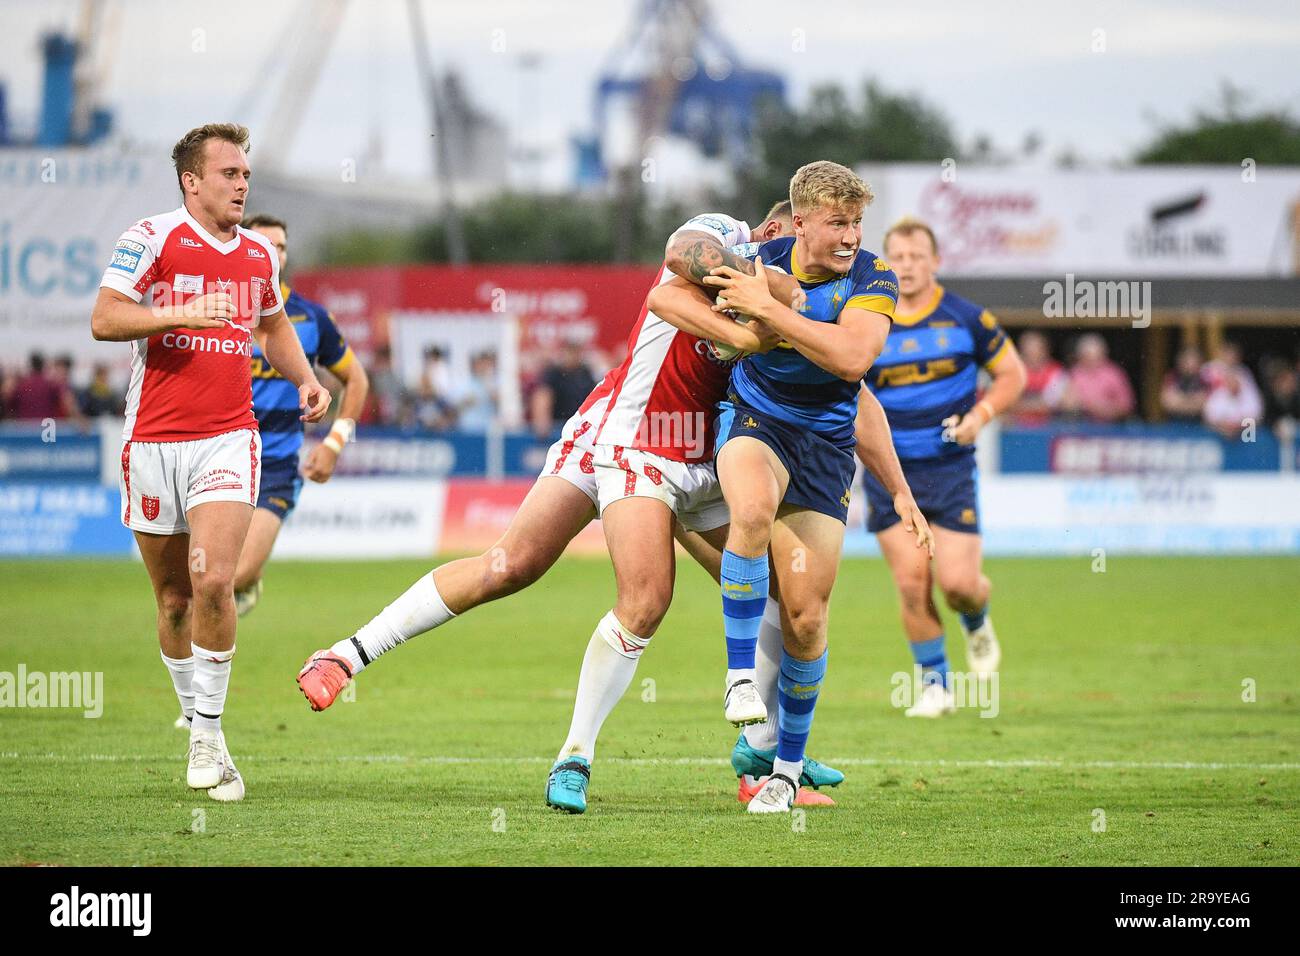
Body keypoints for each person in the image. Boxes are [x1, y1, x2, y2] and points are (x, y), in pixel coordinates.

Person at [294, 203, 930, 816]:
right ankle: (352, 658)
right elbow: (675, 264)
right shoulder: (726, 242)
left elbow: (853, 388)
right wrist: (747, 324)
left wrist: (897, 485)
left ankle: (761, 753)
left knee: (779, 599)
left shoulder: (811, 303)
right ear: (770, 232)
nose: (798, 263)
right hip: (629, 432)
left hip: (699, 456)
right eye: (785, 243)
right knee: (527, 568)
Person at [90, 123, 330, 803]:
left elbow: (274, 323)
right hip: (152, 442)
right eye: (229, 174)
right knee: (171, 603)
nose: (241, 183)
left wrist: (306, 379)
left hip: (228, 438)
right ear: (192, 182)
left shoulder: (258, 254)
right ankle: (207, 732)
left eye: (247, 174)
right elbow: (105, 319)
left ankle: (205, 731)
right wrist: (182, 312)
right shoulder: (153, 236)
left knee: (215, 583)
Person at [698, 161, 897, 812]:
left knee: (807, 619)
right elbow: (664, 292)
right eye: (838, 222)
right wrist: (734, 323)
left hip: (827, 449)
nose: (851, 235)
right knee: (750, 512)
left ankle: (784, 771)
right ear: (800, 221)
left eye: (858, 222)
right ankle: (737, 681)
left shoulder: (874, 275)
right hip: (756, 422)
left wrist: (770, 314)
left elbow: (852, 360)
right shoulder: (755, 259)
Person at [863, 217, 1027, 717]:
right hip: (890, 475)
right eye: (897, 257)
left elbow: (1012, 376)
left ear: (935, 262)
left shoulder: (966, 318)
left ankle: (976, 617)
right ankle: (937, 687)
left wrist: (980, 416)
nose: (907, 266)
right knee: (913, 583)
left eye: (917, 256)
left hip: (951, 471)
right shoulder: (868, 318)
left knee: (956, 584)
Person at [230, 214, 370, 618]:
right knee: (203, 579)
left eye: (282, 247)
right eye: (265, 244)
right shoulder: (219, 308)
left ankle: (248, 581)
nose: (274, 254)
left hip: (276, 465)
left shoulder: (311, 319)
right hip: (220, 459)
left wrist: (334, 443)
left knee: (235, 575)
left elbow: (356, 381)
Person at [529, 337, 598, 438]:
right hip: (557, 427)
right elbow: (542, 396)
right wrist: (542, 421)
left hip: (580, 426)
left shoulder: (585, 373)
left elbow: (595, 397)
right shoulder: (554, 373)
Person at [1059, 334, 1134, 422]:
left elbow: (1127, 405)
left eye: (1096, 356)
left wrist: (1108, 409)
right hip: (1081, 425)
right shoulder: (1072, 374)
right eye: (1088, 356)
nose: (1092, 360)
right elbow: (1063, 403)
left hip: (1112, 427)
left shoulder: (1114, 373)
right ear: (1080, 356)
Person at [1011, 330, 1066, 426]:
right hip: (1017, 428)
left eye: (1036, 349)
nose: (1032, 354)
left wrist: (1022, 405)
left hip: (1048, 429)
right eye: (1028, 350)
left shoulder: (1056, 372)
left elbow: (1050, 405)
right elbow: (1007, 403)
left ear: (1045, 350)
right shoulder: (1013, 371)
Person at [1160, 345, 1209, 424]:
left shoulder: (1205, 379)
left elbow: (1205, 405)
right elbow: (1168, 403)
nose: (1190, 365)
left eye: (1194, 361)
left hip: (1199, 427)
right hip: (1173, 425)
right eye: (1187, 361)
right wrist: (1193, 401)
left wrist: (1181, 400)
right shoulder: (1172, 377)